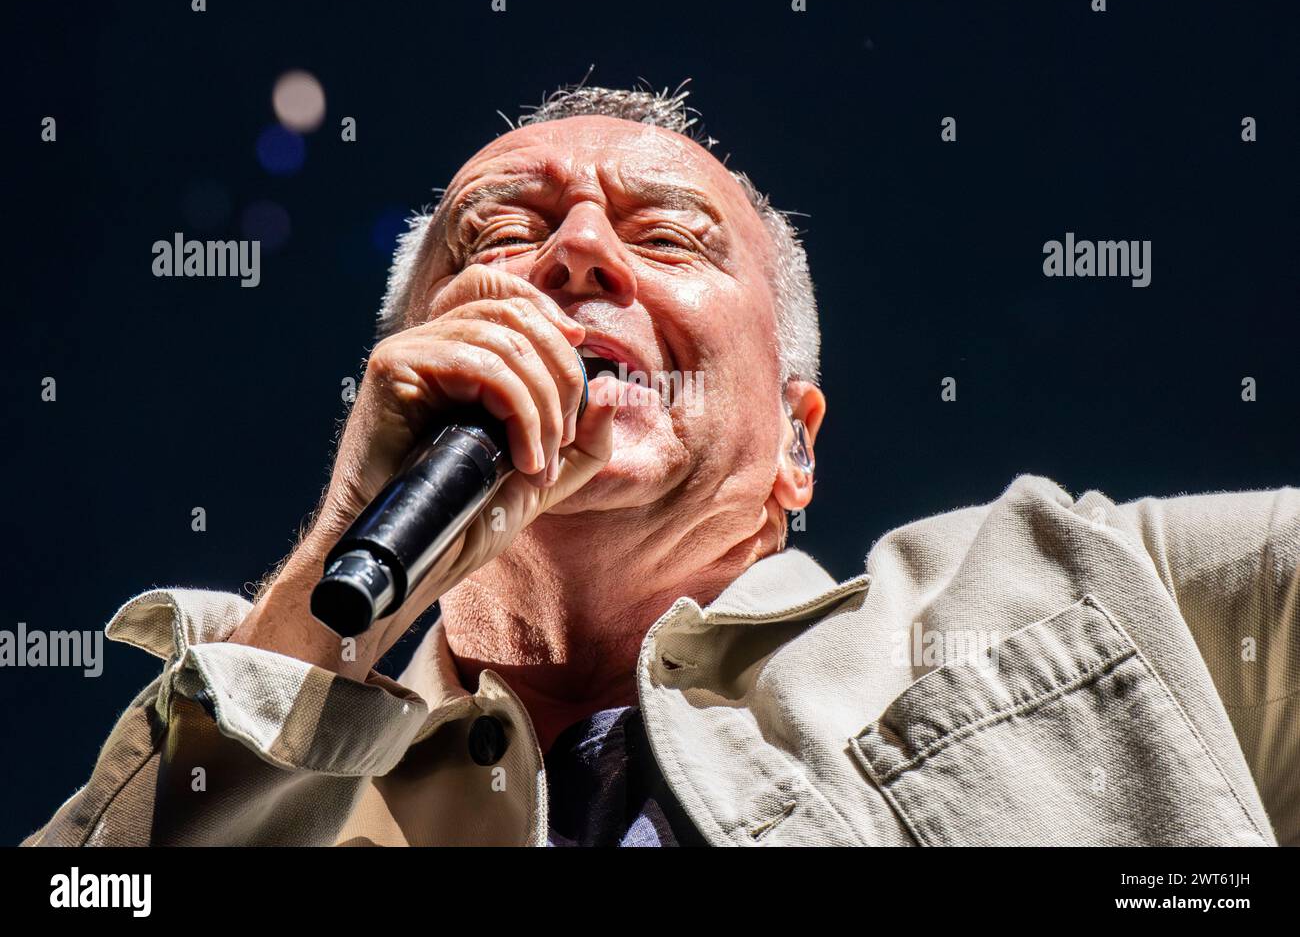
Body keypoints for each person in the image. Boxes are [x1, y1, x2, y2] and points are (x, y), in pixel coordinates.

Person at [26, 86, 1298, 847]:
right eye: (502, 234)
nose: (576, 255)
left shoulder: (1090, 587)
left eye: (669, 238)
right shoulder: (245, 769)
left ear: (797, 440)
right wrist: (331, 592)